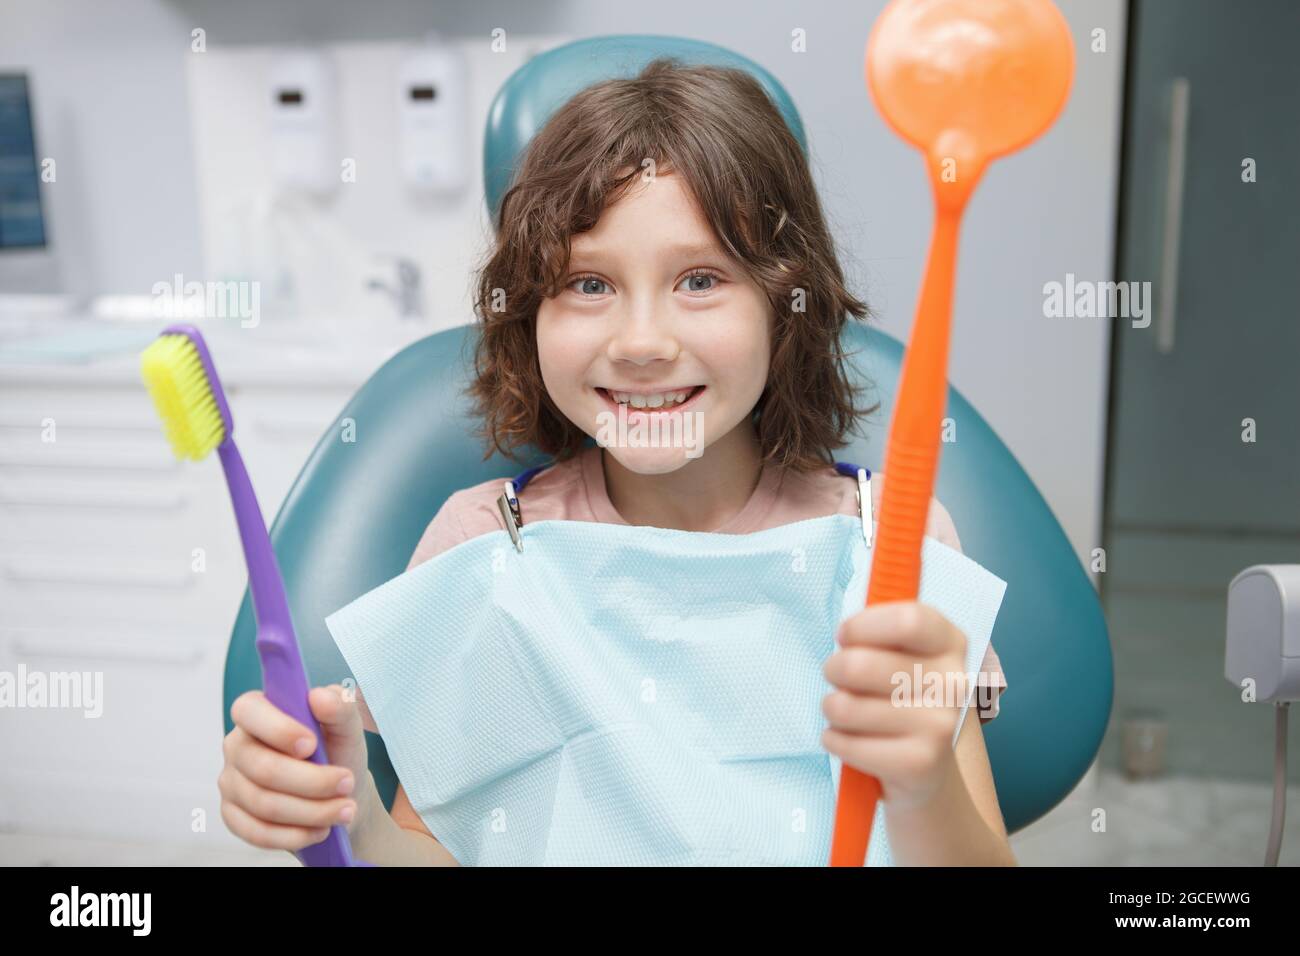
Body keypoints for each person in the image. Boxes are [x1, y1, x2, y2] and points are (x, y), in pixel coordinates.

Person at [219, 58, 1013, 866]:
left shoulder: (890, 549)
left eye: (699, 279)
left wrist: (923, 787)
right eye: (589, 284)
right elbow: (435, 852)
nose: (641, 342)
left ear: (785, 303)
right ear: (530, 312)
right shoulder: (485, 549)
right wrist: (353, 821)